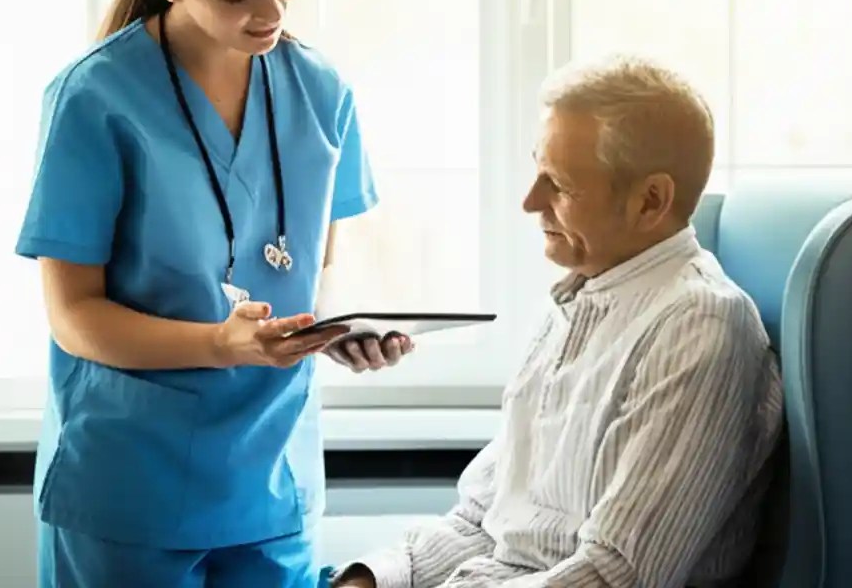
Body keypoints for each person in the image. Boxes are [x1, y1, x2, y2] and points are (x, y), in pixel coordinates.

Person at [15, 0, 413, 585]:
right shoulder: (95, 98)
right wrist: (221, 345)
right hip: (129, 486)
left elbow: (312, 272)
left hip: (271, 481)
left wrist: (342, 333)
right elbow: (74, 317)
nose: (271, 9)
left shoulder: (321, 90)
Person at [330, 57, 785, 587]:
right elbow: (484, 521)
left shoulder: (699, 327)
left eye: (560, 185)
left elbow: (616, 576)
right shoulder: (573, 305)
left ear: (651, 200)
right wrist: (370, 580)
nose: (529, 201)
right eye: (536, 171)